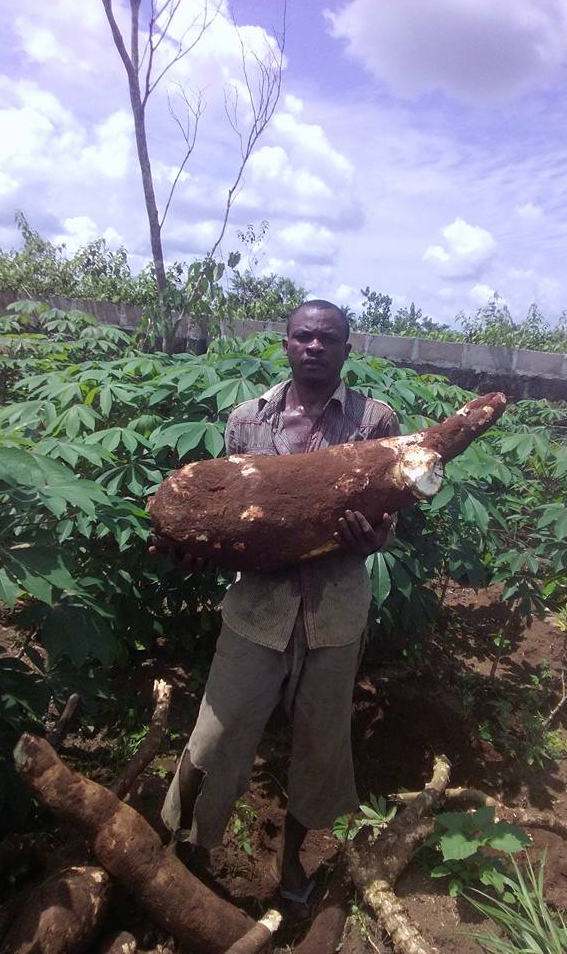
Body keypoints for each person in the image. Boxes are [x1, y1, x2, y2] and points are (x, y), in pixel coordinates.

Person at [155, 299, 399, 905]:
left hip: (335, 611)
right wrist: (201, 550)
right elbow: (231, 514)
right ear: (285, 343)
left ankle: (293, 866)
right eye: (303, 337)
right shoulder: (247, 420)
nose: (314, 347)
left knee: (320, 745)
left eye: (328, 339)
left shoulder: (375, 421)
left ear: (348, 348)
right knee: (216, 735)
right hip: (256, 611)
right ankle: (185, 853)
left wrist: (375, 539)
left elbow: (390, 511)